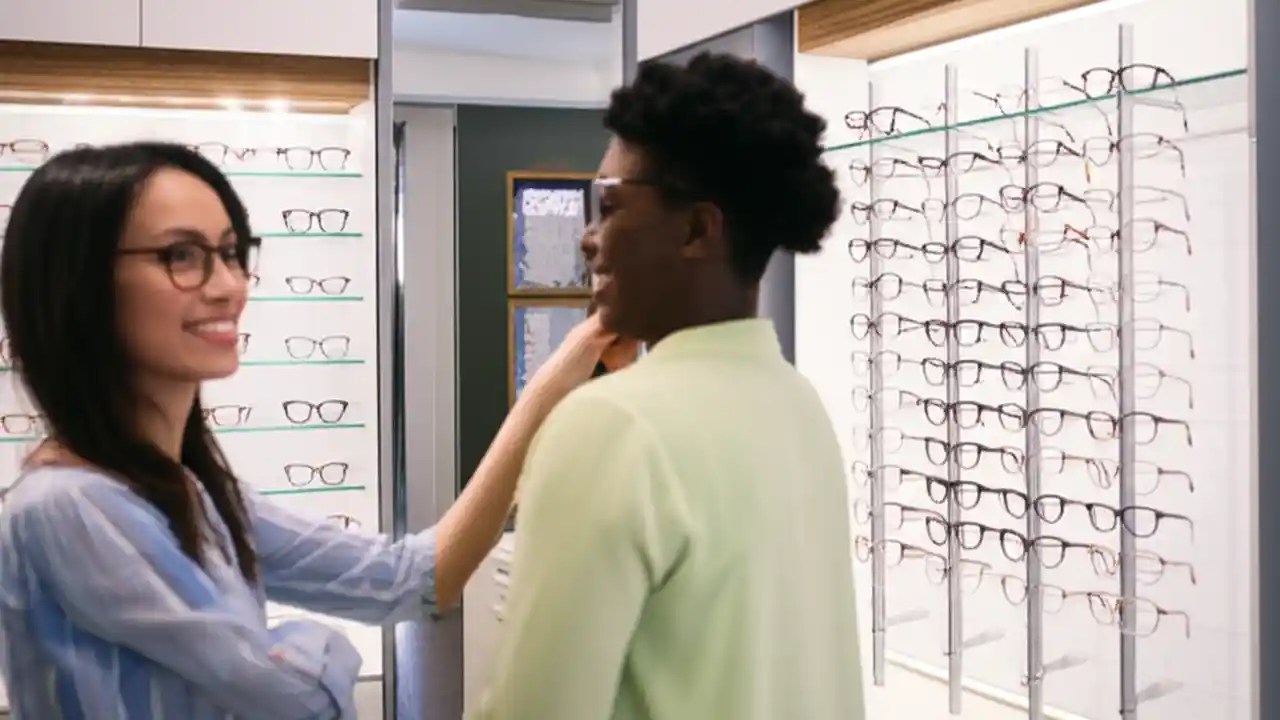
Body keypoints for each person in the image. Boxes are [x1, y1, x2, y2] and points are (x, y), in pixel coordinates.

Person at [0, 141, 616, 719]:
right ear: (78, 282)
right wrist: (315, 644)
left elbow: (413, 579)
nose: (229, 287)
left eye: (233, 252)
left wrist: (571, 359)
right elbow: (295, 699)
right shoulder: (70, 507)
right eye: (181, 256)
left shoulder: (185, 490)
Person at [471, 52, 864, 720]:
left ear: (695, 229)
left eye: (611, 207)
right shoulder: (800, 407)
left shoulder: (612, 426)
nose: (590, 241)